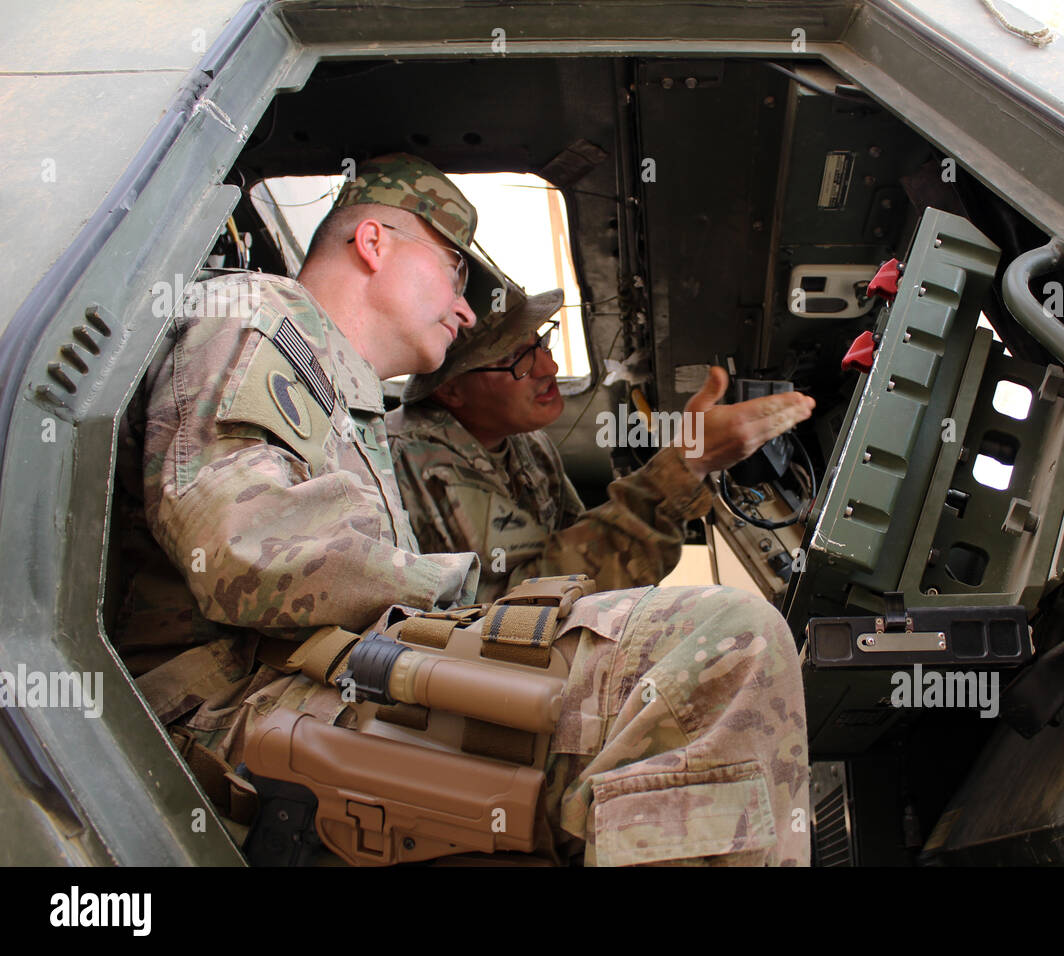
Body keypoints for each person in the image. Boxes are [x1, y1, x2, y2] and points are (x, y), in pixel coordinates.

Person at [121, 152, 814, 865]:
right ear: (374, 243)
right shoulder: (261, 317)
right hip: (244, 710)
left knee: (681, 688)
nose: (462, 304)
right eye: (453, 269)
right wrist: (449, 600)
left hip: (313, 684)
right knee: (729, 643)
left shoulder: (337, 385)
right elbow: (246, 547)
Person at [388, 287, 773, 601]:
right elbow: (525, 603)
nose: (549, 368)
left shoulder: (527, 444)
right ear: (452, 390)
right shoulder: (422, 456)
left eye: (540, 343)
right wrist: (685, 466)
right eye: (518, 360)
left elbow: (575, 546)